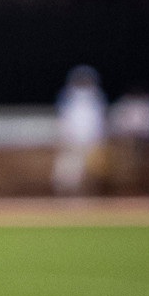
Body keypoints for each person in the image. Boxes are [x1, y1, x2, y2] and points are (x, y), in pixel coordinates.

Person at [53, 65, 107, 197]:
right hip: (72, 138)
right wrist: (64, 135)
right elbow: (64, 118)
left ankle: (88, 195)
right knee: (68, 168)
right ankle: (65, 195)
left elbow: (99, 119)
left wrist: (99, 137)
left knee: (92, 169)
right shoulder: (68, 96)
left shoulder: (96, 96)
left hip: (91, 138)